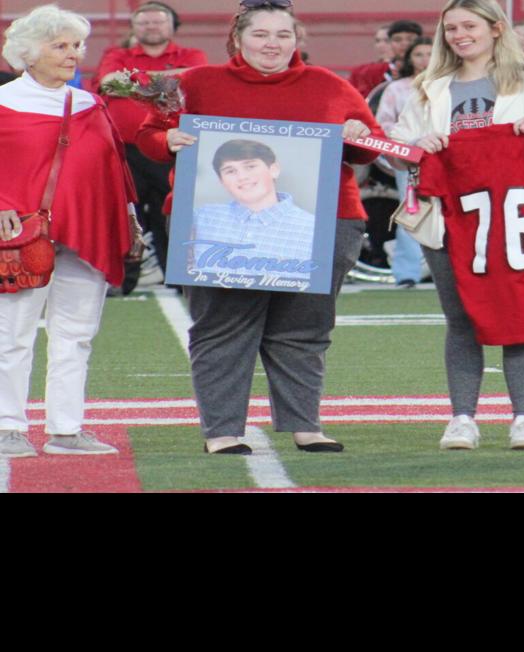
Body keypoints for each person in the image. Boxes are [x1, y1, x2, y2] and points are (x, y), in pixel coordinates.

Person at [136, 0, 382, 455]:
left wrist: (356, 135)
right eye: (261, 35)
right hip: (213, 225)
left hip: (325, 221)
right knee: (222, 327)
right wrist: (166, 139)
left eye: (283, 35)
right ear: (238, 39)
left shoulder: (330, 86)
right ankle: (222, 431)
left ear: (297, 39)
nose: (273, 44)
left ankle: (305, 425)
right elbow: (149, 137)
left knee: (305, 328)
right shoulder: (193, 83)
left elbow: (369, 147)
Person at [387, 0, 524, 451]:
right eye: (451, 29)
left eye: (469, 26)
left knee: (519, 314)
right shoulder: (429, 87)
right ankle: (462, 418)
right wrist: (413, 144)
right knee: (461, 319)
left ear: (496, 28)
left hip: (516, 221)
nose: (459, 35)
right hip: (447, 221)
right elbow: (396, 149)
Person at [0, 4, 143, 458]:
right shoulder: (3, 104)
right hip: (22, 234)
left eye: (76, 45)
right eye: (59, 45)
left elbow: (113, 169)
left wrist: (129, 219)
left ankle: (66, 429)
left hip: (89, 228)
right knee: (13, 334)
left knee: (77, 332)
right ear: (26, 52)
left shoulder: (91, 103)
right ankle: (7, 427)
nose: (72, 54)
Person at [93, 2, 208, 293]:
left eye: (158, 21)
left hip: (174, 149)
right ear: (133, 28)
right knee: (125, 217)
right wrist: (167, 80)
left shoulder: (192, 55)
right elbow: (108, 83)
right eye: (144, 22)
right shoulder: (115, 54)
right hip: (125, 151)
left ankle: (180, 279)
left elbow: (197, 77)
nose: (152, 27)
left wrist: (134, 79)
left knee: (176, 214)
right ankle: (122, 281)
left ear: (173, 26)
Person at [189, 139, 315, 279]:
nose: (242, 177)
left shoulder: (312, 229)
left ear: (274, 170)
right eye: (230, 171)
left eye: (250, 166)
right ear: (222, 181)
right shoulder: (201, 218)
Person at [376, 36, 433, 287]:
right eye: (419, 54)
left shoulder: (450, 84)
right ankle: (407, 272)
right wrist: (402, 149)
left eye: (430, 53)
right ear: (410, 58)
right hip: (410, 159)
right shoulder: (397, 89)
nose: (425, 59)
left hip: (449, 156)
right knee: (410, 211)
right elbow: (384, 124)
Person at [350, 19, 422, 99]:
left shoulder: (432, 71)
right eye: (398, 39)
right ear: (390, 43)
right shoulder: (370, 73)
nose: (404, 43)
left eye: (410, 39)